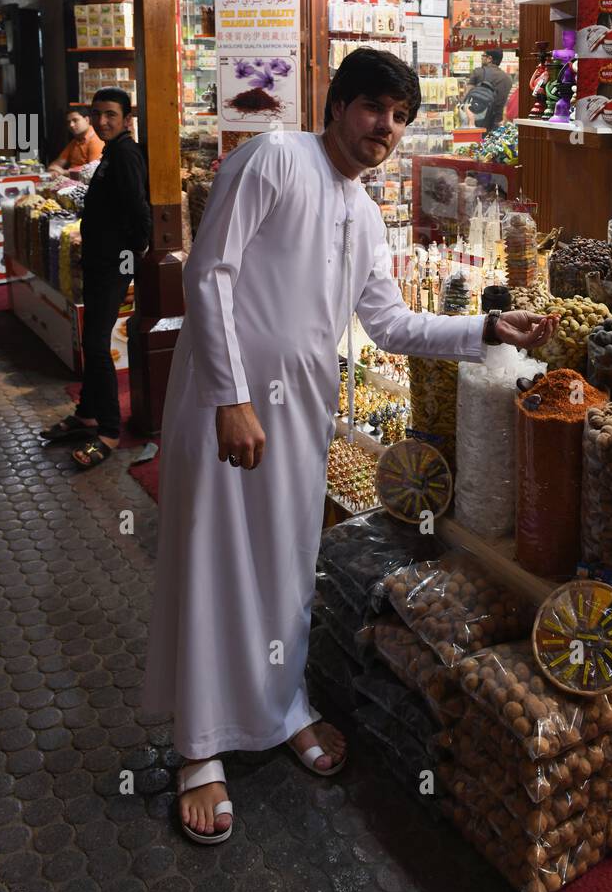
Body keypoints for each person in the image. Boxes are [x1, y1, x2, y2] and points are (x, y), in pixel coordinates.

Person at [140, 47, 557, 845]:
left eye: (399, 118)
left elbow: (389, 324)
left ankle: (279, 710)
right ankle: (199, 750)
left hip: (302, 412)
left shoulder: (363, 211)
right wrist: (229, 398)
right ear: (335, 107)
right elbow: (211, 273)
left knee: (290, 564)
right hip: (222, 404)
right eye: (373, 109)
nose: (385, 129)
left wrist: (483, 329)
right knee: (212, 561)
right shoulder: (270, 159)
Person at [39, 88, 151, 468]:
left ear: (126, 118)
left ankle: (108, 430)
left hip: (114, 262)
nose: (103, 121)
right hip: (102, 258)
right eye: (97, 114)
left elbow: (138, 209)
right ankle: (87, 413)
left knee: (97, 343)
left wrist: (132, 255)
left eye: (111, 115)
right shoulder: (110, 152)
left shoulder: (126, 154)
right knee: (92, 341)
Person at [465, 48, 514, 131]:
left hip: (476, 122)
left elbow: (467, 98)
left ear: (489, 59)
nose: (481, 58)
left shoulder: (478, 72)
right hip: (497, 123)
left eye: (483, 56)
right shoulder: (507, 79)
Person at [47, 103, 104, 174]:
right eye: (68, 122)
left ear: (87, 120)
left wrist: (64, 172)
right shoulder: (76, 140)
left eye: (75, 120)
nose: (71, 125)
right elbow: (58, 163)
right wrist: (54, 170)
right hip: (72, 181)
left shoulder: (96, 140)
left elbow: (92, 173)